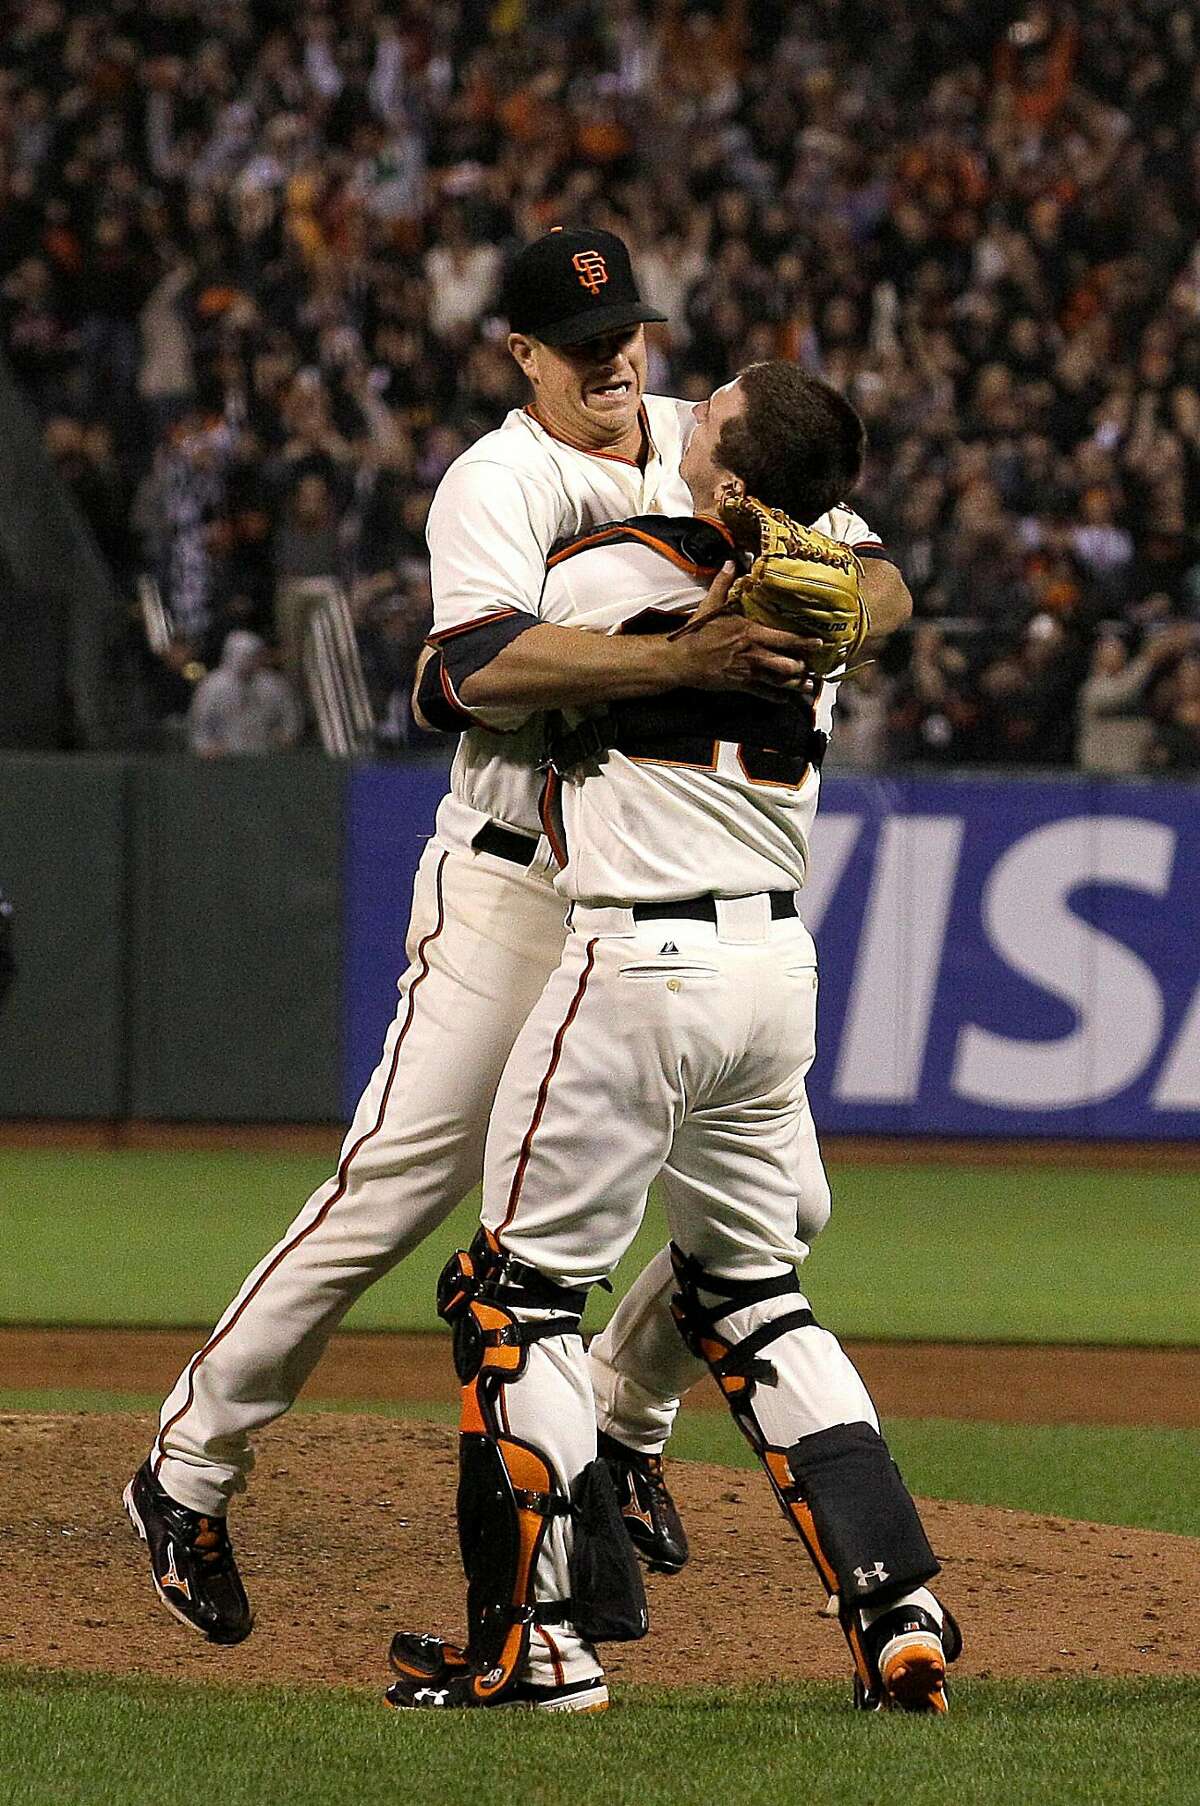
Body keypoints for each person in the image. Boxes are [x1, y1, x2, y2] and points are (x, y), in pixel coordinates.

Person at [123, 227, 829, 1646]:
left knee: (782, 1211)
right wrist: (680, 653)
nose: (616, 357)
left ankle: (625, 1424)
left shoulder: (704, 438)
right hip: (516, 885)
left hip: (653, 900)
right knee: (395, 1183)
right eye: (581, 344)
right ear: (519, 353)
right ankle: (187, 1465)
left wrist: (842, 603)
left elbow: (881, 576)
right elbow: (469, 672)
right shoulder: (497, 479)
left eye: (628, 328)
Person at [386, 364, 959, 1716]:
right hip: (771, 968)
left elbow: (452, 683)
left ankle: (535, 1649)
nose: (688, 410)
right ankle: (900, 1611)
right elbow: (872, 583)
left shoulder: (612, 567)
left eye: (712, 415)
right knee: (756, 1295)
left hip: (636, 957)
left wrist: (628, 648)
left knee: (511, 1300)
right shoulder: (826, 598)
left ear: (736, 478)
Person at [187, 630, 302, 756]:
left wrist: (287, 736)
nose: (250, 661)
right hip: (226, 759)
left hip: (267, 756)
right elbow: (200, 725)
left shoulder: (273, 685)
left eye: (254, 656)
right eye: (245, 656)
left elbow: (290, 716)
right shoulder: (211, 687)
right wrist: (206, 747)